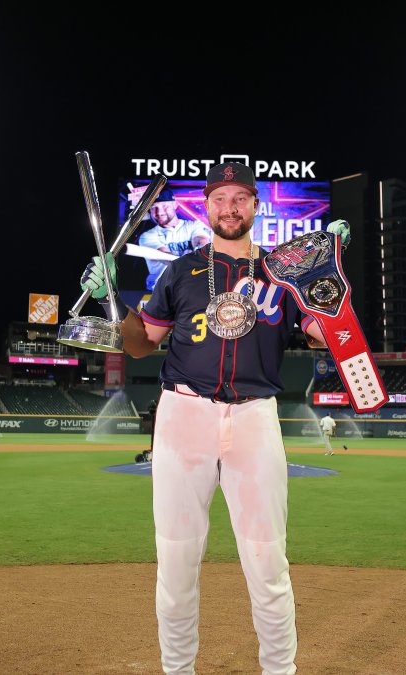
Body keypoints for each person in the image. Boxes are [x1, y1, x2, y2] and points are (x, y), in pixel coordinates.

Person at [81, 161, 350, 675]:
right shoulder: (179, 271)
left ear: (255, 205)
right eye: (220, 198)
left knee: (268, 562)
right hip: (183, 415)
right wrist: (112, 301)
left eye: (240, 198)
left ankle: (280, 671)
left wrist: (327, 270)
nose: (230, 208)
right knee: (177, 563)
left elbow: (328, 336)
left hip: (254, 418)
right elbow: (140, 346)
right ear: (206, 208)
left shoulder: (283, 272)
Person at [137, 189, 215, 291]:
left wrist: (201, 247)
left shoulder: (194, 225)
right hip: (162, 292)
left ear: (175, 205)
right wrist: (197, 258)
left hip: (194, 289)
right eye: (154, 208)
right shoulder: (147, 236)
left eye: (165, 206)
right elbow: (166, 258)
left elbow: (201, 239)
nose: (159, 212)